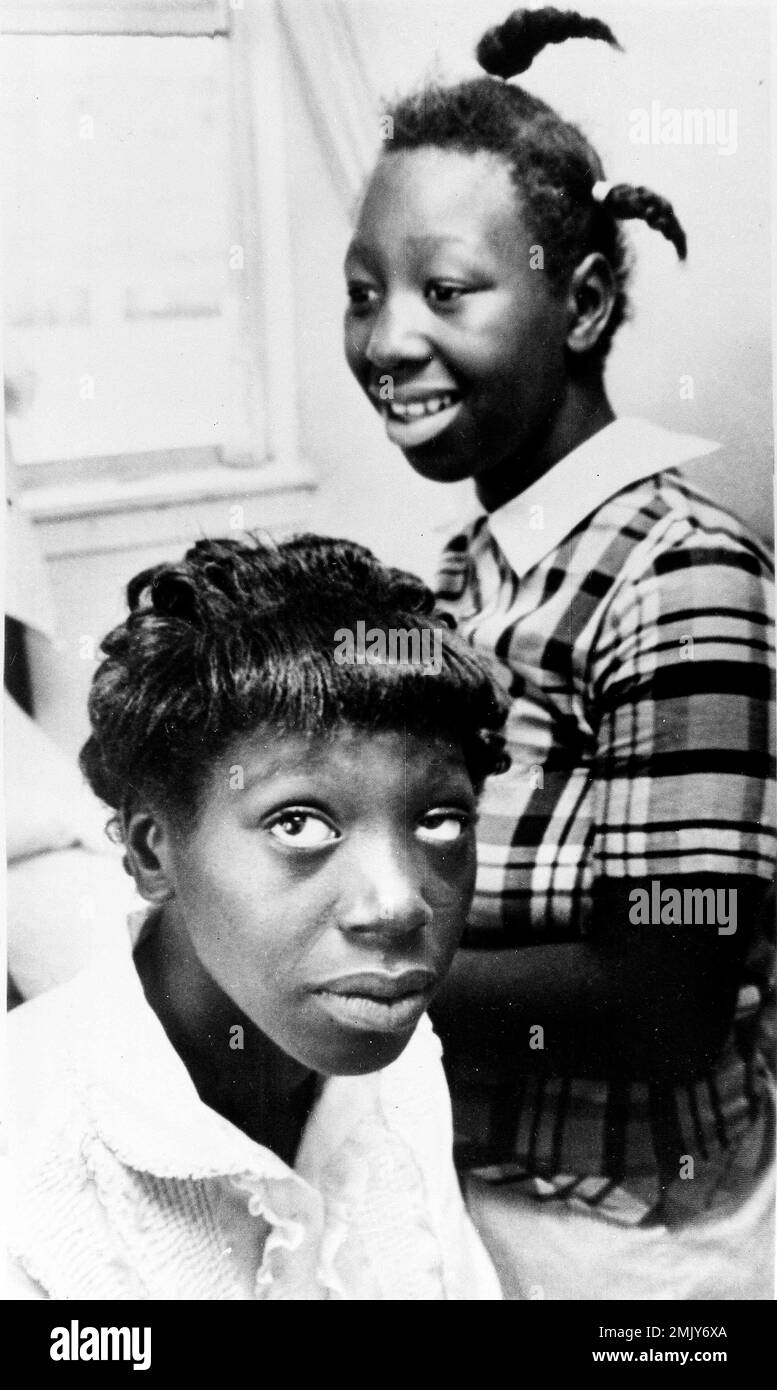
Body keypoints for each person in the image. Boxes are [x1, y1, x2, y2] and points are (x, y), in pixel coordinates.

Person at [343, 6, 775, 1298]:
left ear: (580, 302)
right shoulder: (459, 573)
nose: (385, 340)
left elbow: (667, 997)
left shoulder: (682, 574)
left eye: (447, 288)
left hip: (625, 1236)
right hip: (464, 1178)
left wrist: (329, 978)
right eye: (363, 293)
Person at [8, 533, 509, 1300]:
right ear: (153, 853)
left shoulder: (398, 1058)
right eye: (299, 823)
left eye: (439, 820)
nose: (400, 903)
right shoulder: (26, 1163)